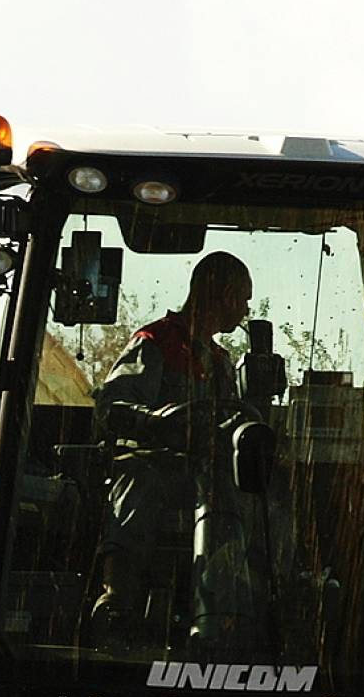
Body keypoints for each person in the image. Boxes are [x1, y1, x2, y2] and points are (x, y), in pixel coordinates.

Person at [87, 251, 264, 650]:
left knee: (260, 489)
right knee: (139, 477)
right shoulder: (155, 342)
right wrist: (156, 421)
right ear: (226, 295)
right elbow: (111, 407)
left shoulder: (221, 361)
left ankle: (245, 606)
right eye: (244, 298)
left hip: (207, 470)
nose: (245, 309)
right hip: (156, 462)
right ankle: (117, 602)